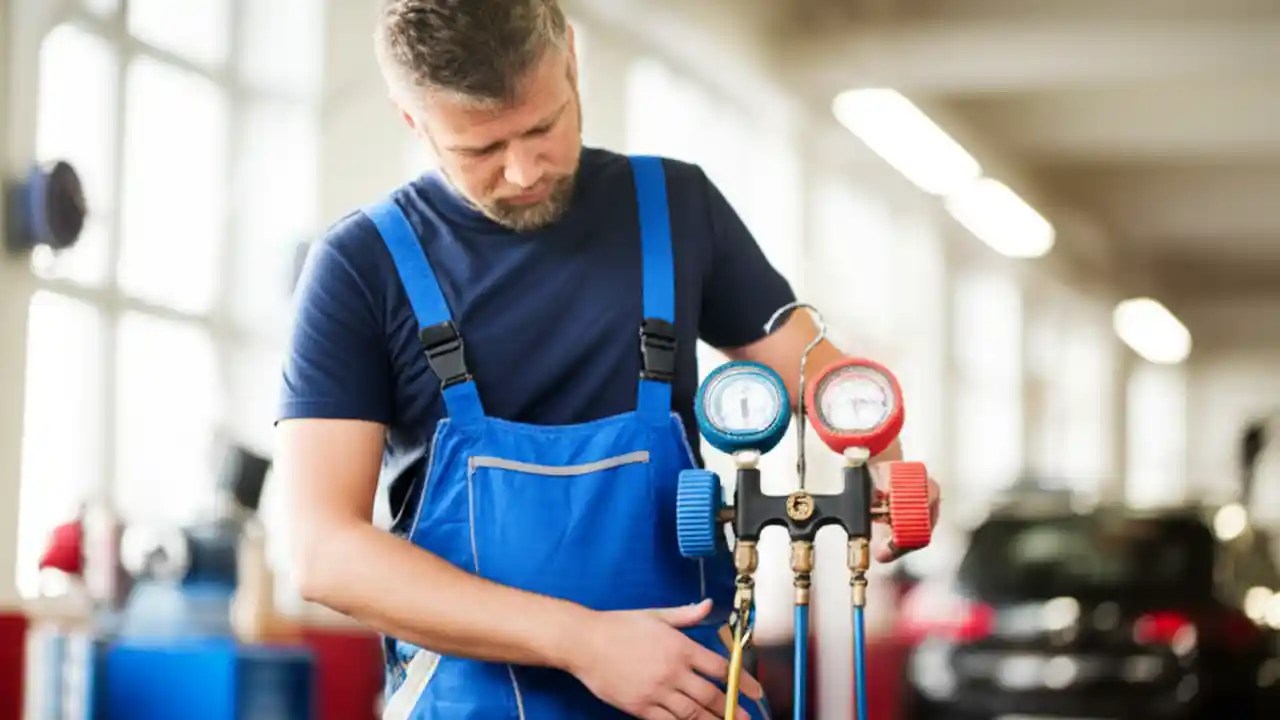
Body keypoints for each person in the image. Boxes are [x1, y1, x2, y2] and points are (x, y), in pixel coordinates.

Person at [275, 1, 940, 718]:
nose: (524, 169)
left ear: (571, 59)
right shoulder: (360, 266)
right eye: (480, 151)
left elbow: (822, 378)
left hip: (684, 692)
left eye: (542, 126)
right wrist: (582, 642)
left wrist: (881, 460)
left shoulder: (676, 208)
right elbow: (323, 551)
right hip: (465, 701)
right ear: (414, 120)